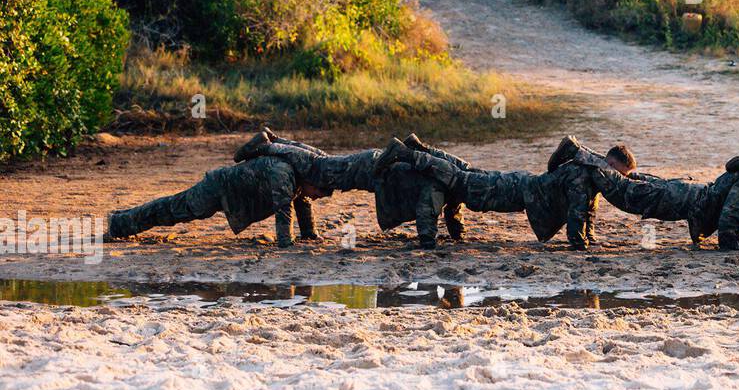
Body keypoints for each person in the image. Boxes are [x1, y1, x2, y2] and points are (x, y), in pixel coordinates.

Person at [233, 129, 469, 244]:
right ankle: (266, 145)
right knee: (320, 166)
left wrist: (457, 234)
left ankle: (275, 140)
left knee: (323, 161)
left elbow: (451, 211)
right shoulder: (448, 179)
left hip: (371, 165)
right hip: (369, 166)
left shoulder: (448, 177)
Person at [373, 137, 600, 249]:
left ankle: (418, 148)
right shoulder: (581, 175)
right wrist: (581, 243)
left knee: (465, 174)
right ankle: (405, 152)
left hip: (518, 183)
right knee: (460, 179)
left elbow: (585, 207)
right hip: (514, 187)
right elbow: (577, 213)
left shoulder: (582, 172)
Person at [550, 137, 739, 250]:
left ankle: (577, 148)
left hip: (667, 191)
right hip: (664, 195)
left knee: (630, 181)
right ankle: (575, 149)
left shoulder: (729, 192)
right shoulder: (729, 192)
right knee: (623, 185)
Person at [106, 155, 325, 248]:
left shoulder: (299, 181)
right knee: (174, 209)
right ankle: (119, 223)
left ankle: (122, 218)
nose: (316, 197)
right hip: (217, 187)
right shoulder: (284, 174)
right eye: (318, 192)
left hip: (230, 195)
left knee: (173, 210)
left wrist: (309, 234)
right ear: (311, 180)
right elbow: (283, 209)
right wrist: (285, 243)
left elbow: (302, 201)